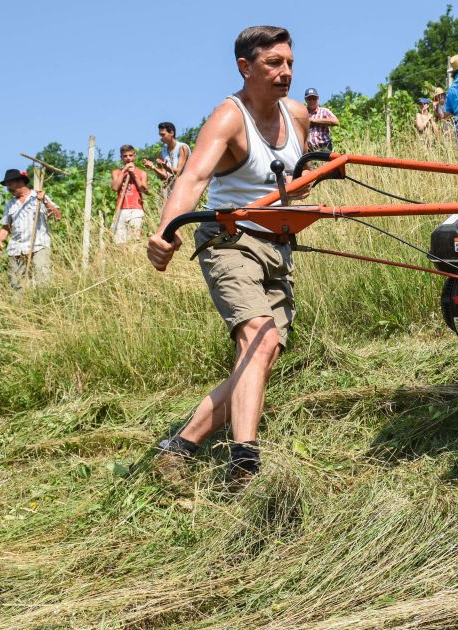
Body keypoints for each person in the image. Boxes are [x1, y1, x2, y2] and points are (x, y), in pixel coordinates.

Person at [147, 25, 312, 490]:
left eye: (290, 64)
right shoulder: (229, 117)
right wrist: (165, 232)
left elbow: (297, 180)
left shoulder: (297, 116)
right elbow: (193, 177)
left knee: (263, 356)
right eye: (273, 64)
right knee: (256, 341)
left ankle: (179, 447)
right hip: (229, 240)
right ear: (245, 66)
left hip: (278, 244)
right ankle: (245, 466)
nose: (285, 73)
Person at [0, 168, 62, 291]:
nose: (8, 188)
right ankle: (19, 309)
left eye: (10, 184)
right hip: (16, 249)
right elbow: (5, 227)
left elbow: (57, 216)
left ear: (20, 182)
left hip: (38, 246)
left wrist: (45, 201)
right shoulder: (10, 204)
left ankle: (44, 307)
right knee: (17, 285)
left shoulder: (38, 198)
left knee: (43, 281)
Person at [111, 145, 149, 244]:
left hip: (136, 209)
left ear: (134, 156)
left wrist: (133, 174)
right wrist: (124, 171)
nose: (128, 158)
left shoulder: (141, 173)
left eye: (130, 155)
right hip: (121, 209)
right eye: (125, 156)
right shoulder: (116, 172)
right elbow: (115, 187)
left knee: (134, 241)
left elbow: (143, 189)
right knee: (120, 242)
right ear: (121, 158)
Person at [143, 122, 190, 199]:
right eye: (160, 135)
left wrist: (165, 166)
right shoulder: (163, 151)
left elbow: (178, 172)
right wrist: (153, 167)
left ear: (171, 133)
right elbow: (165, 176)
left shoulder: (182, 148)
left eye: (163, 134)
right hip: (171, 191)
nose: (161, 138)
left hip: (185, 189)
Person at [303, 88, 338, 152]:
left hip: (324, 147)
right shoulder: (303, 112)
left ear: (318, 98)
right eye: (309, 99)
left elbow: (336, 121)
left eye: (314, 98)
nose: (312, 101)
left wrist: (313, 121)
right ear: (306, 100)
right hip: (308, 150)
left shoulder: (324, 111)